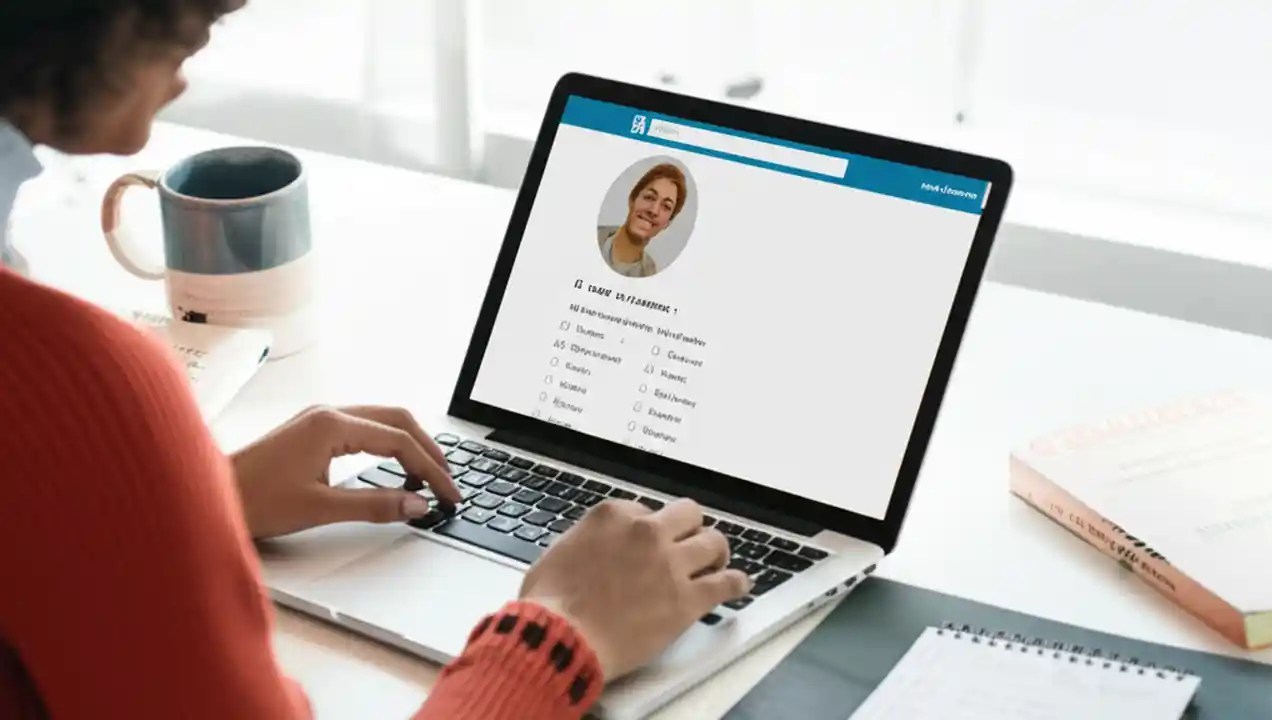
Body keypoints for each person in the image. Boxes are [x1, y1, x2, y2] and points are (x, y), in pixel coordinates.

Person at [0, 3, 750, 718]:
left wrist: (191, 507)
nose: (207, 32)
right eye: (189, 13)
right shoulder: (71, 378)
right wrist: (560, 633)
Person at [598, 162, 688, 278]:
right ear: (632, 199)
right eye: (649, 197)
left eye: (666, 206)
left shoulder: (651, 276)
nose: (654, 211)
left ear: (668, 223)